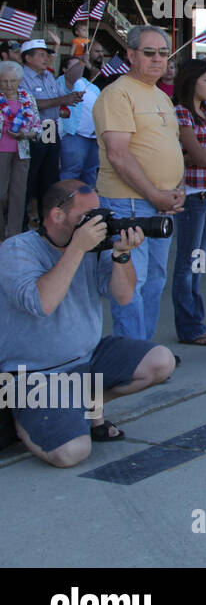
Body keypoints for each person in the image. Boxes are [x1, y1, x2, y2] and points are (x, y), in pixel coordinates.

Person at [0, 180, 174, 467]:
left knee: (161, 361)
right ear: (56, 215)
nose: (98, 222)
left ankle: (76, 405)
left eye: (99, 214)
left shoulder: (94, 246)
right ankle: (23, 419)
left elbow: (124, 295)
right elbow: (42, 303)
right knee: (72, 452)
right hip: (32, 374)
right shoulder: (17, 250)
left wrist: (121, 254)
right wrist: (77, 248)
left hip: (86, 361)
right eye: (88, 217)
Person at [92, 25, 185, 343]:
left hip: (160, 201)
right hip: (130, 201)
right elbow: (118, 155)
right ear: (130, 54)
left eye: (163, 53)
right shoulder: (117, 94)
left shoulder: (161, 95)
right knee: (132, 280)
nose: (158, 59)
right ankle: (132, 354)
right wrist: (155, 195)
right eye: (149, 53)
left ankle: (145, 351)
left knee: (155, 280)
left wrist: (177, 188)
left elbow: (170, 147)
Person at [171, 59, 206, 347]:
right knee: (188, 263)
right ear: (193, 81)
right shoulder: (180, 112)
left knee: (198, 262)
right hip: (193, 194)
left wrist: (197, 155)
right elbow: (204, 156)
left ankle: (197, 321)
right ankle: (190, 326)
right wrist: (200, 155)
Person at [21, 39, 84, 218]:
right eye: (41, 55)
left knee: (49, 176)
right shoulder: (21, 76)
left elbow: (60, 96)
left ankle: (46, 221)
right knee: (30, 175)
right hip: (32, 130)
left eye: (47, 54)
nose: (46, 58)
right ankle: (24, 220)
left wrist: (72, 97)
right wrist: (62, 101)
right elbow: (30, 104)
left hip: (50, 127)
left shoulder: (48, 76)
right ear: (28, 57)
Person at [0, 60, 40, 240]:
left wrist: (26, 135)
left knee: (18, 192)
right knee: (1, 193)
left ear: (19, 81)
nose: (9, 85)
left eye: (13, 81)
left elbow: (38, 126)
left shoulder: (27, 98)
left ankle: (13, 235)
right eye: (4, 81)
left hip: (22, 150)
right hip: (1, 150)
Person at [55, 58, 100, 185]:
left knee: (90, 172)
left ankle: (89, 204)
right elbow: (72, 76)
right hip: (75, 135)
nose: (80, 67)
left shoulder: (90, 84)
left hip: (93, 136)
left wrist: (87, 63)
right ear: (64, 69)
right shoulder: (63, 81)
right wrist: (82, 61)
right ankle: (66, 202)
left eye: (80, 65)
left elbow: (97, 72)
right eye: (75, 65)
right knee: (70, 172)